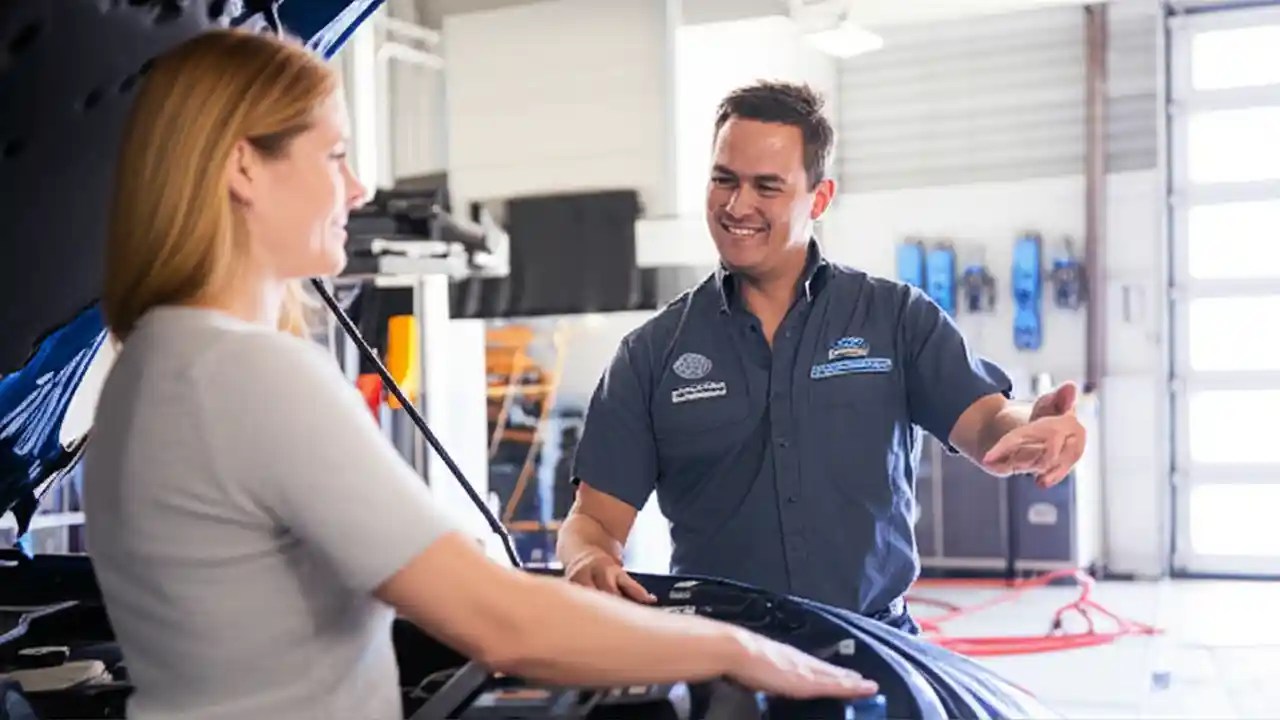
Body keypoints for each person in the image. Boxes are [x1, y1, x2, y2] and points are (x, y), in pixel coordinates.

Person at [80, 31, 878, 720]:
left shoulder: (149, 365)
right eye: (334, 156)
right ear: (243, 168)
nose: (357, 189)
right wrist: (732, 648)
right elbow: (503, 624)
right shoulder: (248, 375)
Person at [556, 81, 1086, 633]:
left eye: (767, 186)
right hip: (717, 656)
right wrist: (587, 557)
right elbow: (593, 520)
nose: (738, 206)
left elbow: (987, 422)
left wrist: (1030, 425)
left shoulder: (894, 318)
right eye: (723, 180)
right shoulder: (651, 355)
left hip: (874, 646)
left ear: (820, 196)